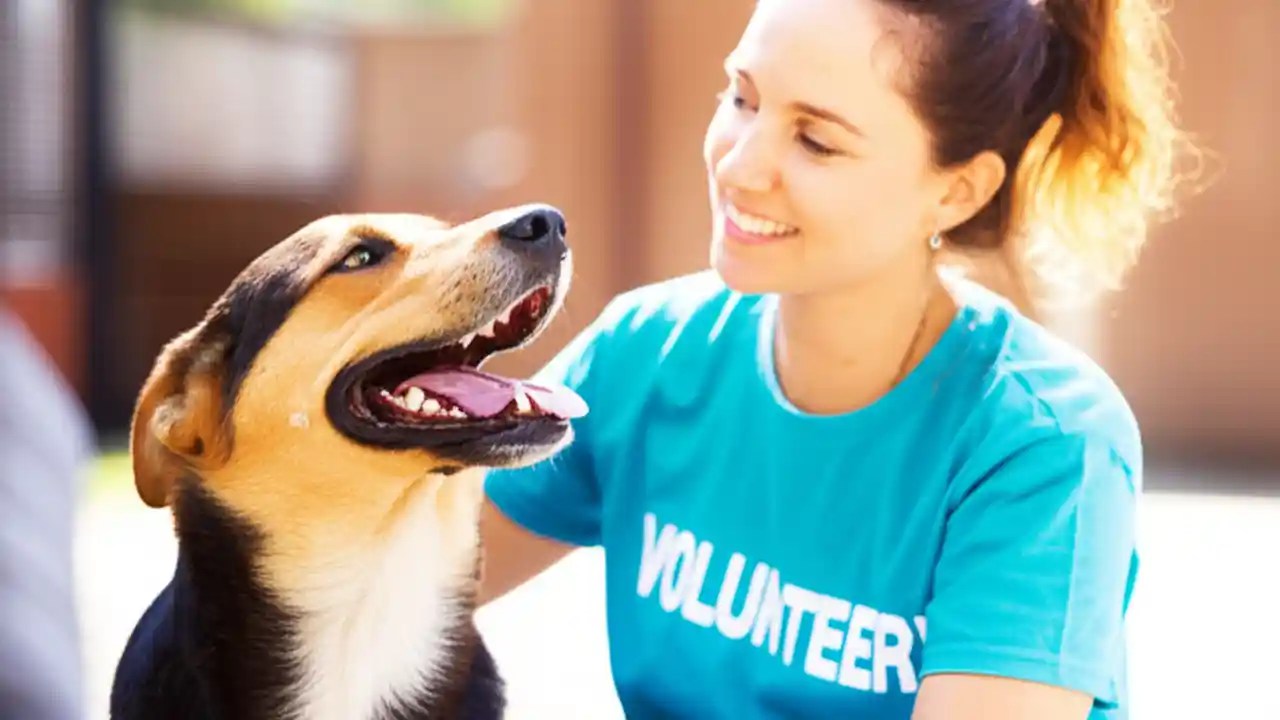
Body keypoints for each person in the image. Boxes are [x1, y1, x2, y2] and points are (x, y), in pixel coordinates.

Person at [480, 0, 1190, 717]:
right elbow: (392, 579)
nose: (742, 164)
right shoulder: (647, 354)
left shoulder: (1043, 445)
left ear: (956, 190)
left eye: (816, 142)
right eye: (742, 98)